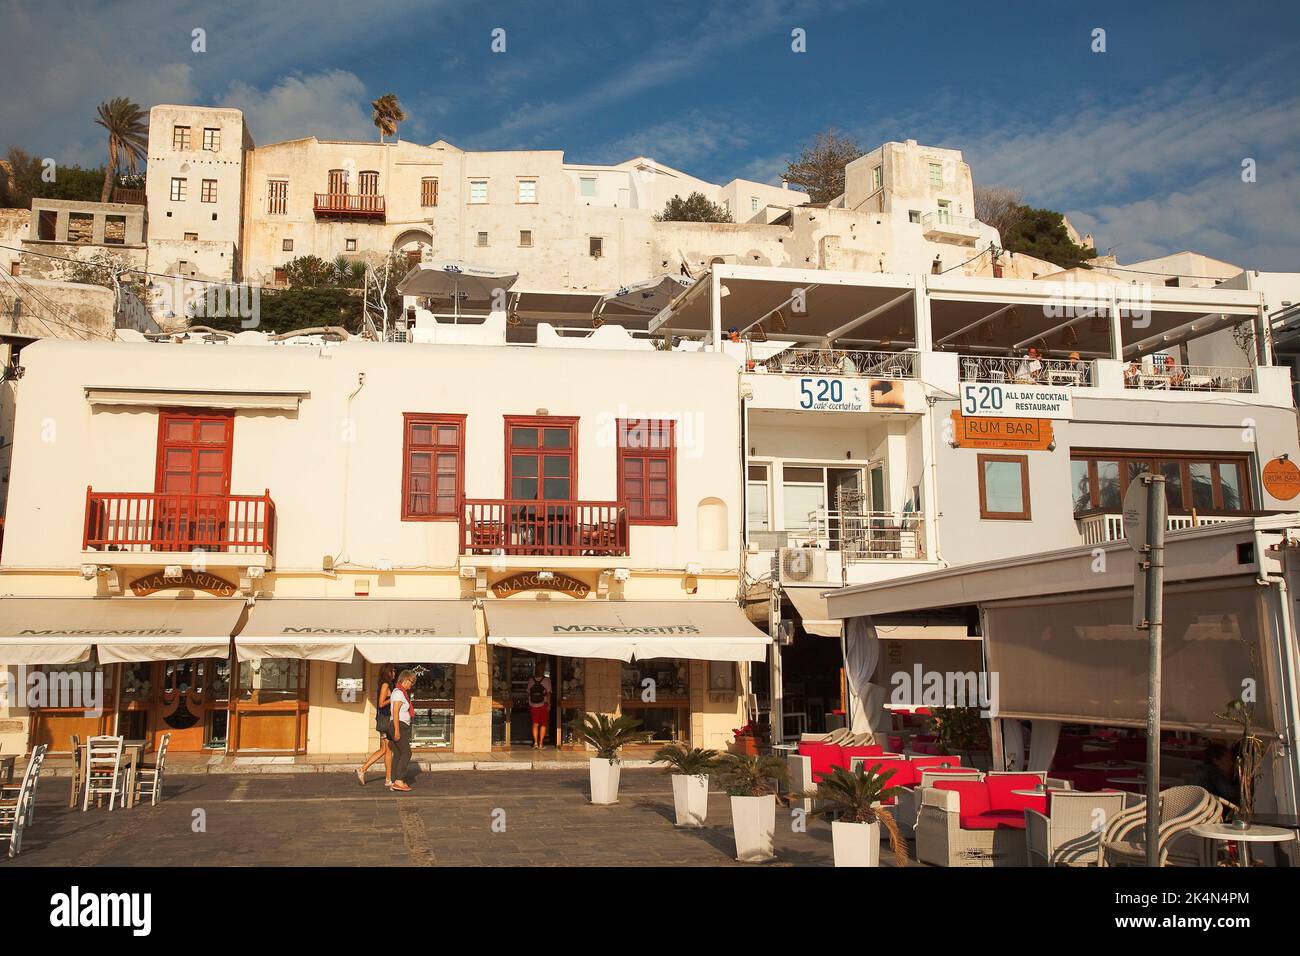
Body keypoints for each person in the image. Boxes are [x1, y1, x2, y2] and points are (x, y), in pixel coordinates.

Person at [356, 664, 396, 786]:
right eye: (393, 670)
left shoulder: (387, 685)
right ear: (388, 672)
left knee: (387, 749)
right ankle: (363, 769)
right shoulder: (385, 685)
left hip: (385, 719)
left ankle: (387, 779)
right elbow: (381, 703)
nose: (395, 672)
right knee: (386, 749)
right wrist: (393, 698)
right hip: (385, 720)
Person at [388, 669, 417, 792]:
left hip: (399, 725)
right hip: (398, 725)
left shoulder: (400, 692)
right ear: (405, 680)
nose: (412, 684)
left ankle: (394, 781)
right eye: (411, 681)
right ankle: (399, 780)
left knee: (398, 754)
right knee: (407, 753)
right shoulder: (399, 693)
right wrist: (397, 730)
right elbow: (395, 711)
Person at [526, 662, 552, 750]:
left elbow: (529, 693)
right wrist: (549, 704)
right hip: (543, 704)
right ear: (542, 670)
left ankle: (535, 743)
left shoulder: (531, 680)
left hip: (533, 704)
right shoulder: (547, 680)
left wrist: (530, 703)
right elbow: (548, 694)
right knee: (543, 724)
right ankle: (541, 743)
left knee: (535, 724)